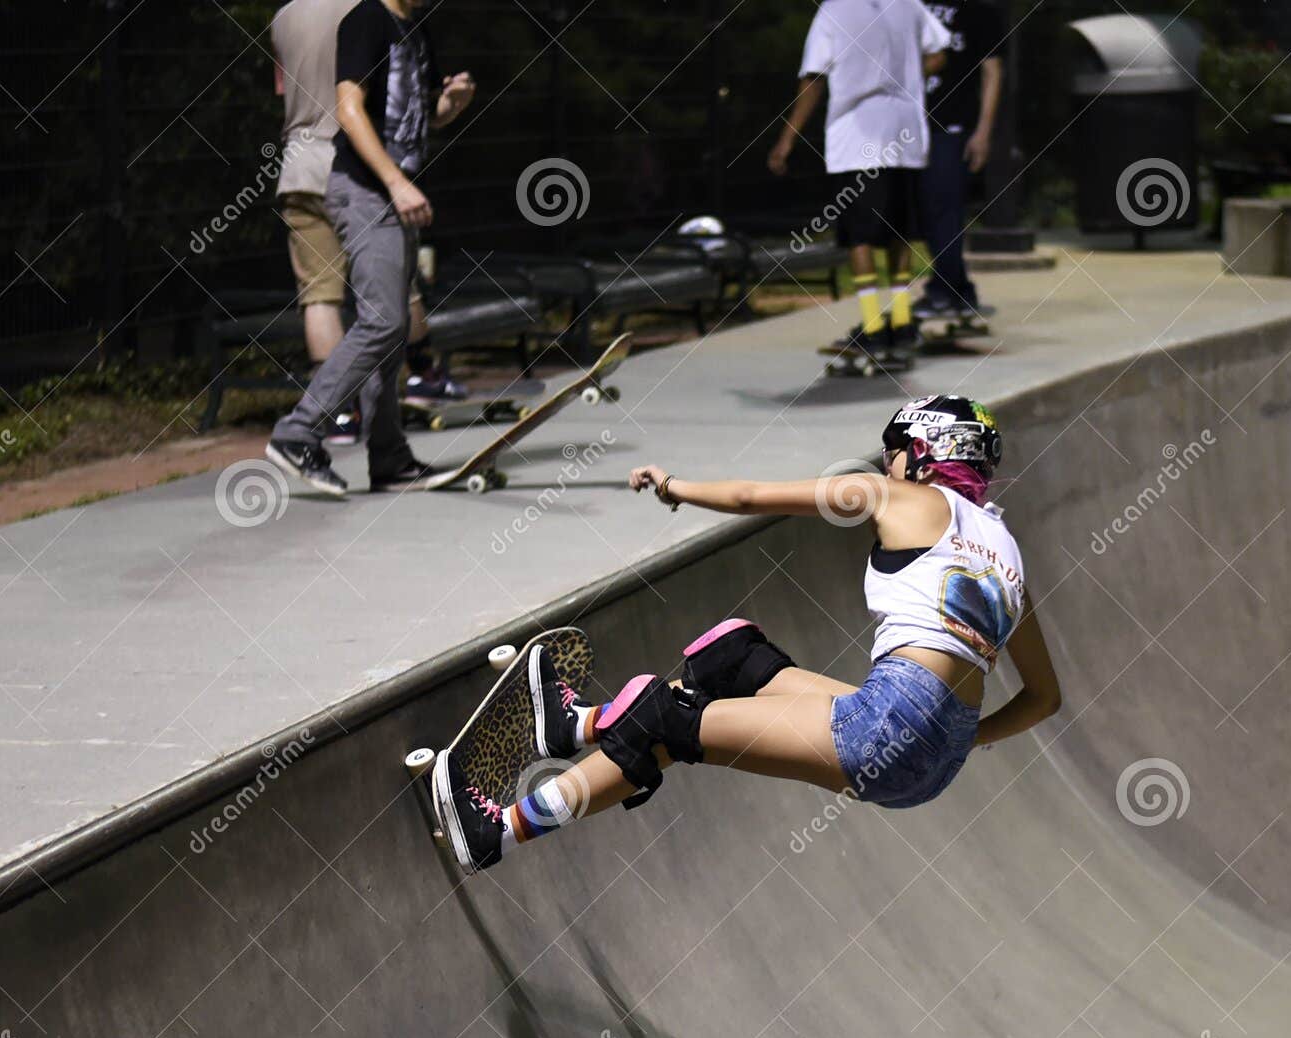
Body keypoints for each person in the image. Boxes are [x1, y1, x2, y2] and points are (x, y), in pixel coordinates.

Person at [433, 396, 1062, 876]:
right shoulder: (1007, 558)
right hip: (935, 759)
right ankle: (571, 728)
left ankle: (497, 830)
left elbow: (752, 495)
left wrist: (672, 487)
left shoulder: (891, 493)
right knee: (733, 657)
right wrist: (962, 736)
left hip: (886, 722)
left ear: (923, 451)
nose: (886, 460)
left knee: (663, 719)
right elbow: (1043, 697)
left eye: (894, 447)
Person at [266, 0, 474, 496]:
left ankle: (389, 457)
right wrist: (395, 183)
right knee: (382, 320)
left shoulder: (414, 32)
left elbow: (418, 114)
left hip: (386, 194)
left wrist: (453, 105)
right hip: (362, 190)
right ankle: (299, 432)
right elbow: (349, 108)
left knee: (393, 327)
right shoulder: (365, 21)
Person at [767, 0, 951, 366]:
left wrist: (787, 138)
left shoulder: (834, 11)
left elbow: (814, 79)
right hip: (906, 132)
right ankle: (900, 323)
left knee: (860, 235)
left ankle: (873, 326)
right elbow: (940, 51)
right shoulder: (909, 5)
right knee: (899, 229)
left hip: (856, 138)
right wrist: (908, 75)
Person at [914, 1, 1005, 322]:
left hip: (954, 124)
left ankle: (945, 291)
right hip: (910, 123)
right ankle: (958, 289)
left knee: (944, 205)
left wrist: (983, 131)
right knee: (924, 210)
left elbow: (992, 71)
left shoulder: (980, 8)